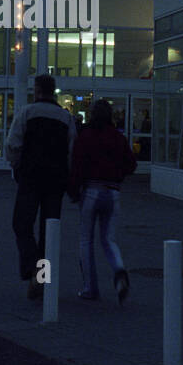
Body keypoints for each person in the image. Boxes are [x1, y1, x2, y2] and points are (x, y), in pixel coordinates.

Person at [5, 74, 75, 300]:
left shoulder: (26, 112)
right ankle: (42, 277)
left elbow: (12, 144)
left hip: (31, 176)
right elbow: (72, 151)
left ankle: (32, 268)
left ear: (36, 90)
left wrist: (16, 166)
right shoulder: (66, 117)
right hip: (56, 180)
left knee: (21, 224)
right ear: (53, 91)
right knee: (49, 232)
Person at [68, 99, 136, 303]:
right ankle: (119, 271)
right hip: (113, 192)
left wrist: (73, 190)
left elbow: (77, 164)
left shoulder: (86, 136)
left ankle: (90, 287)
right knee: (108, 239)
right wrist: (117, 175)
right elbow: (131, 164)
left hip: (90, 191)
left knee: (86, 240)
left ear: (92, 115)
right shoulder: (118, 137)